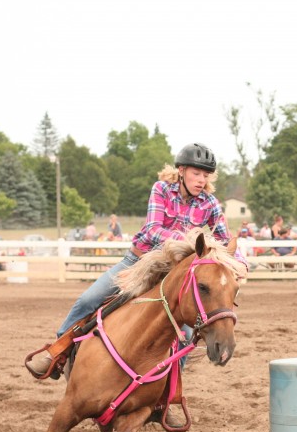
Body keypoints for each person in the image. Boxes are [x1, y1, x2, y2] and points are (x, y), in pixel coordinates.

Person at [25, 143, 238, 378]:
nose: (201, 179)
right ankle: (56, 354)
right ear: (181, 171)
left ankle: (168, 395)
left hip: (174, 276)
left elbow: (224, 242)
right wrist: (188, 240)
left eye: (205, 175)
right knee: (89, 299)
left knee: (185, 335)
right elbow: (152, 230)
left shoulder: (210, 203)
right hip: (138, 264)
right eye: (196, 173)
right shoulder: (162, 190)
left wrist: (238, 263)